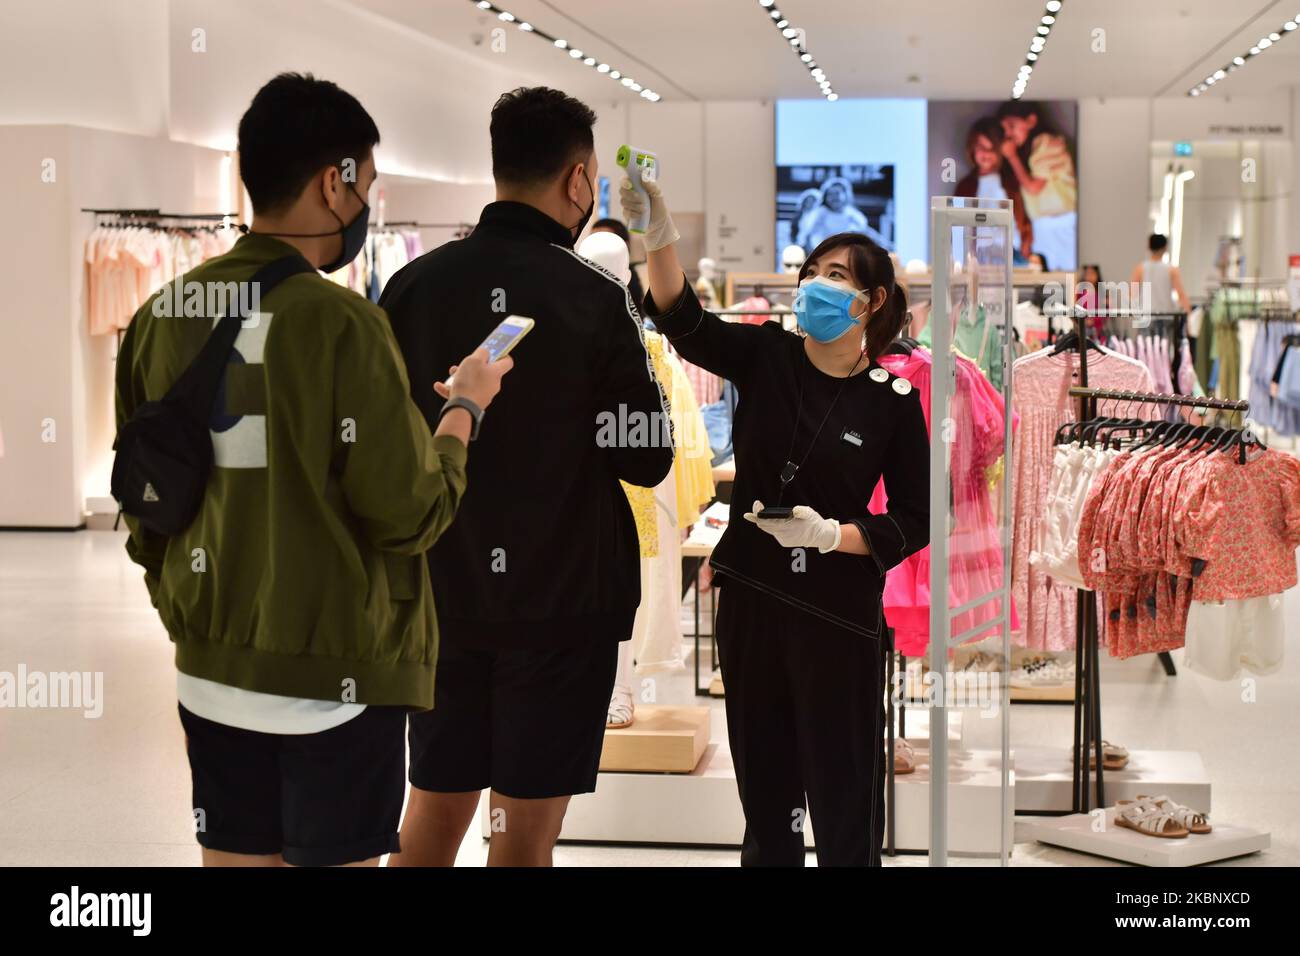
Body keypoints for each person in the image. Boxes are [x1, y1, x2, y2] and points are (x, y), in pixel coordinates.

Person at [114, 73, 511, 868]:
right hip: (335, 683)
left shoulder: (161, 315)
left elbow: (145, 505)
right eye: (367, 178)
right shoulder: (342, 323)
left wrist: (192, 614)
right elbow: (409, 512)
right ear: (338, 182)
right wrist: (464, 410)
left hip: (212, 671)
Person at [380, 87, 675, 867]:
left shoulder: (410, 288)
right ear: (579, 180)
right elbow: (646, 455)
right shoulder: (594, 299)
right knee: (521, 842)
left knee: (430, 820)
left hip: (441, 591)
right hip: (561, 602)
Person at [622, 176, 930, 867]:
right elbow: (683, 319)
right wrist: (657, 231)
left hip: (839, 612)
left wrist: (836, 536)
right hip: (754, 599)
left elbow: (917, 515)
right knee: (765, 785)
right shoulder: (767, 355)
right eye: (812, 272)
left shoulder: (892, 399)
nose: (817, 285)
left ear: (872, 301)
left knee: (844, 783)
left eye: (837, 276)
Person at [997, 100, 1077, 271]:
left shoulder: (1047, 143)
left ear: (1031, 121)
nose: (1009, 134)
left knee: (1067, 277)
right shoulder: (1031, 149)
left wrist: (1012, 157)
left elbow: (1033, 187)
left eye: (1012, 125)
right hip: (1043, 226)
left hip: (1062, 222)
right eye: (1005, 130)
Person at [953, 117, 1033, 262]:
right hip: (979, 256)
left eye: (991, 149)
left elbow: (1024, 218)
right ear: (972, 149)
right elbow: (958, 227)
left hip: (1013, 254)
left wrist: (1025, 245)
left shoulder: (1011, 182)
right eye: (981, 148)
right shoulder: (966, 186)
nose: (986, 155)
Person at [590, 216, 645, 310]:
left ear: (624, 245)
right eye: (592, 241)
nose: (597, 247)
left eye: (604, 241)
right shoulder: (585, 276)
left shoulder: (643, 275)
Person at [802, 176, 869, 250]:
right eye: (830, 194)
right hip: (823, 250)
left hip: (845, 250)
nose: (834, 197)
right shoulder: (821, 213)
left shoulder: (851, 213)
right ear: (825, 197)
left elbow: (864, 229)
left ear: (846, 195)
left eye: (837, 193)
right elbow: (808, 234)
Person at [1131, 234, 1189, 317]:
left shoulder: (1140, 268)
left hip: (1145, 314)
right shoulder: (1171, 269)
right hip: (1166, 314)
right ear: (1165, 248)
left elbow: (1133, 294)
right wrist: (1189, 314)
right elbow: (1181, 294)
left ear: (1149, 246)